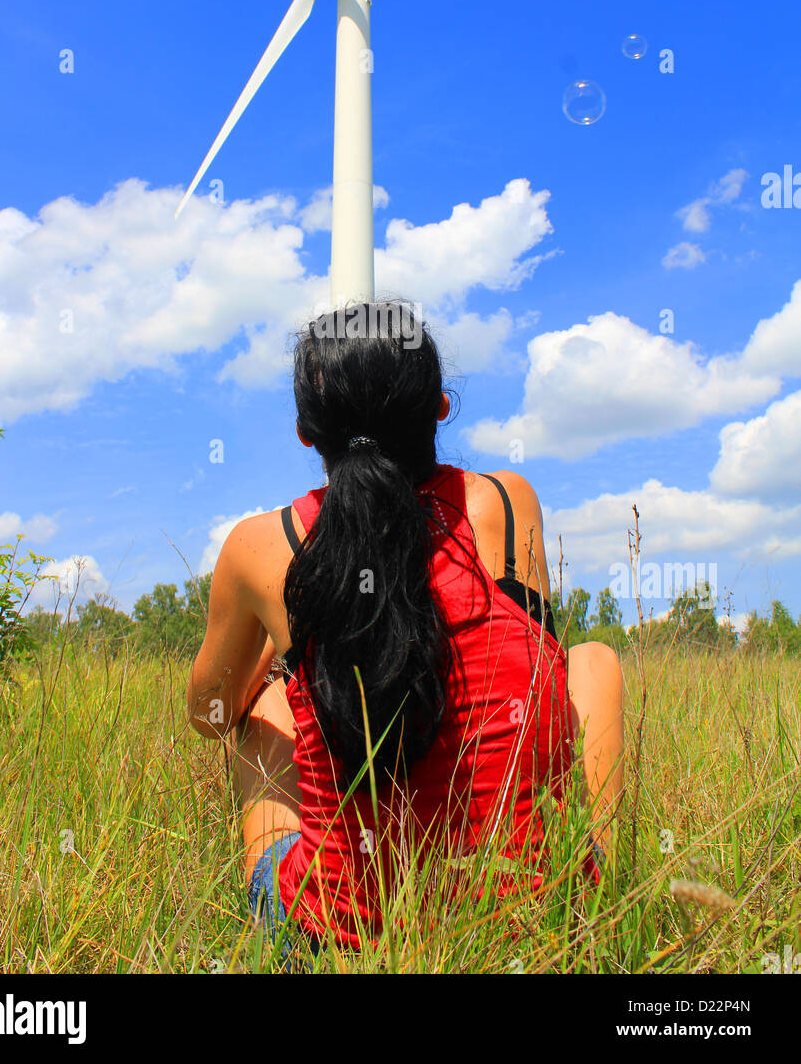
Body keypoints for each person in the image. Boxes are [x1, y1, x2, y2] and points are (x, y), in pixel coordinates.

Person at [188, 301, 623, 957]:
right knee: (592, 662)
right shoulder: (508, 502)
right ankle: (602, 902)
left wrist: (286, 656)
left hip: (338, 942)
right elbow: (539, 672)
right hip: (536, 926)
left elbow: (210, 715)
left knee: (266, 704)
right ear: (442, 408)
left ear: (306, 432)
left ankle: (283, 932)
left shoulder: (262, 546)